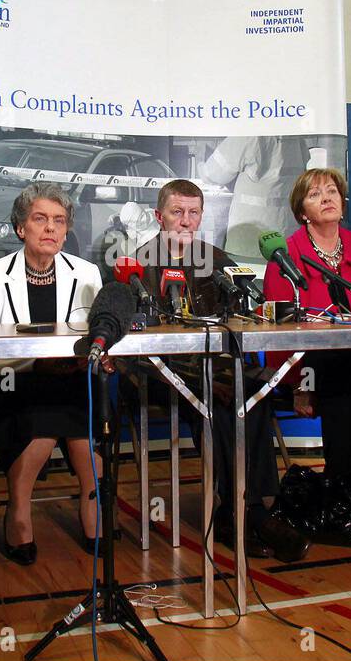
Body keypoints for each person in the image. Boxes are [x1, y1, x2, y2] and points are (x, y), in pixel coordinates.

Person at [130, 179, 310, 562]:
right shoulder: (139, 264)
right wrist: (204, 374)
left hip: (218, 371)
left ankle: (249, 508)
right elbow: (138, 344)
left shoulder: (218, 260)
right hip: (161, 375)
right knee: (225, 397)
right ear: (159, 216)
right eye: (177, 212)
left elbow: (245, 314)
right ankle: (244, 514)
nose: (186, 221)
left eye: (194, 213)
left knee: (253, 393)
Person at [0, 182, 103, 565]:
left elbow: (99, 337)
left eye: (59, 221)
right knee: (44, 411)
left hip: (72, 379)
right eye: (40, 219)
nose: (50, 229)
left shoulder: (88, 274)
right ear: (20, 227)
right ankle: (20, 510)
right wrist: (35, 363)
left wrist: (82, 360)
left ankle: (90, 502)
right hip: (8, 380)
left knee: (82, 401)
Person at [262, 169, 351, 529]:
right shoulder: (287, 255)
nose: (327, 198)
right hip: (310, 365)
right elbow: (281, 333)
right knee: (348, 376)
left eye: (332, 191)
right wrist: (300, 386)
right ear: (302, 211)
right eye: (315, 194)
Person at [200, 134, 310, 259]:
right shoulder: (294, 136)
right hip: (287, 234)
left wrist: (200, 162)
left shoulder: (248, 135)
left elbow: (212, 174)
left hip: (250, 238)